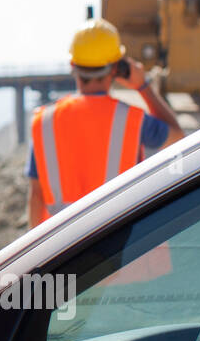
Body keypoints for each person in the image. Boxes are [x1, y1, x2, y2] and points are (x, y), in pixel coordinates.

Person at [27, 19, 183, 228]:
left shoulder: (44, 121)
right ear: (115, 69)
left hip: (60, 245)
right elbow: (177, 136)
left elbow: (36, 197)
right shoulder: (132, 119)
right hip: (113, 238)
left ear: (73, 65)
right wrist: (143, 86)